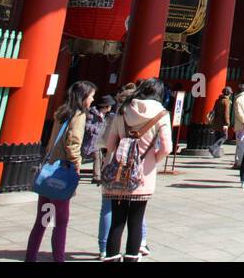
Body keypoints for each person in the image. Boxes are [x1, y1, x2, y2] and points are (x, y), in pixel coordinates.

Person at [100, 78, 172, 261]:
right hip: (143, 172)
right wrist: (152, 159)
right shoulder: (162, 114)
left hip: (118, 169)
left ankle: (111, 256)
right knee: (136, 220)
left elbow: (109, 144)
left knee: (117, 220)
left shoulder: (122, 110)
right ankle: (132, 256)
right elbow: (166, 147)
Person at [25, 79, 94, 262]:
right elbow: (73, 143)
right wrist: (77, 165)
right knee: (61, 221)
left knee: (43, 218)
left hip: (50, 170)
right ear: (84, 96)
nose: (92, 100)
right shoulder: (78, 115)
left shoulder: (61, 113)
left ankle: (31, 255)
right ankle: (59, 258)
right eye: (91, 96)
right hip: (62, 172)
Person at [83, 93, 112, 183]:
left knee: (98, 158)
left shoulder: (107, 116)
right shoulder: (92, 114)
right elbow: (86, 125)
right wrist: (97, 130)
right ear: (105, 107)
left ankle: (97, 177)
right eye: (109, 106)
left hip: (97, 142)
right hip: (89, 140)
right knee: (81, 157)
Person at [205, 86, 233, 159]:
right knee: (224, 136)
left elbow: (214, 110)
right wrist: (227, 123)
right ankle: (213, 148)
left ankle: (216, 154)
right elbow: (226, 113)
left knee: (217, 136)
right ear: (229, 94)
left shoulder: (218, 100)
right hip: (222, 123)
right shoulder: (226, 101)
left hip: (216, 121)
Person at [231, 81, 244, 169]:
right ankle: (240, 160)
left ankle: (239, 161)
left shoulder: (238, 99)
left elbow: (238, 112)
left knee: (240, 143)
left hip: (241, 124)